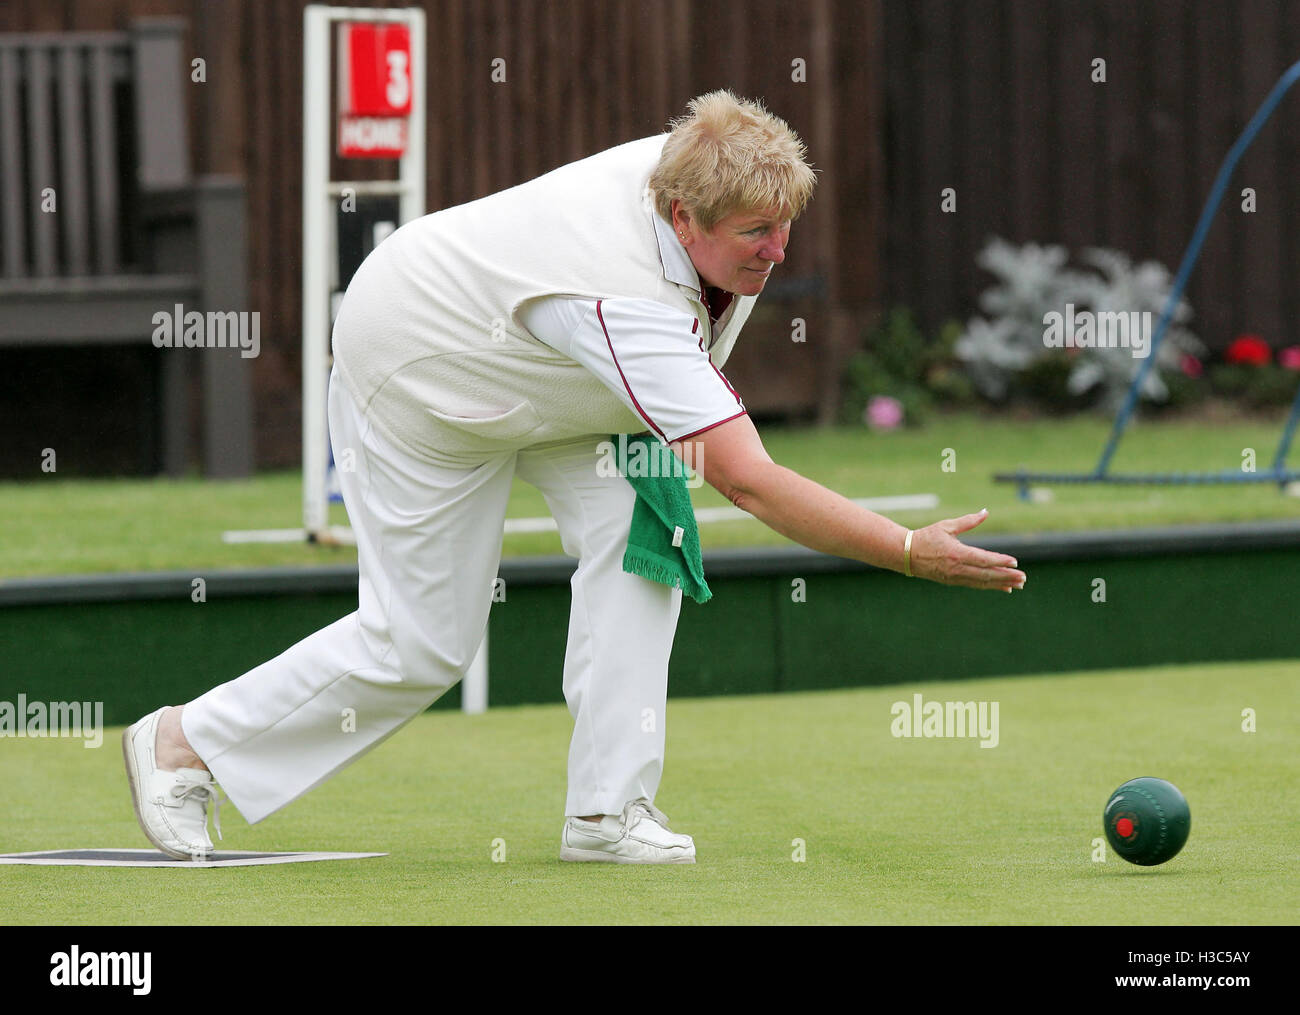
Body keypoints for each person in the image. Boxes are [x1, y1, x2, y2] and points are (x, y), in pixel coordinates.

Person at [123, 90, 1026, 866]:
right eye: (757, 234)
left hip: (561, 378)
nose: (777, 252)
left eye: (787, 226)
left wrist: (740, 264)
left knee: (648, 534)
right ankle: (183, 743)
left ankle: (606, 811)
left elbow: (700, 413)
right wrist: (908, 549)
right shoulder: (626, 295)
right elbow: (749, 479)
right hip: (422, 368)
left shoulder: (710, 181)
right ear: (683, 219)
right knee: (422, 643)